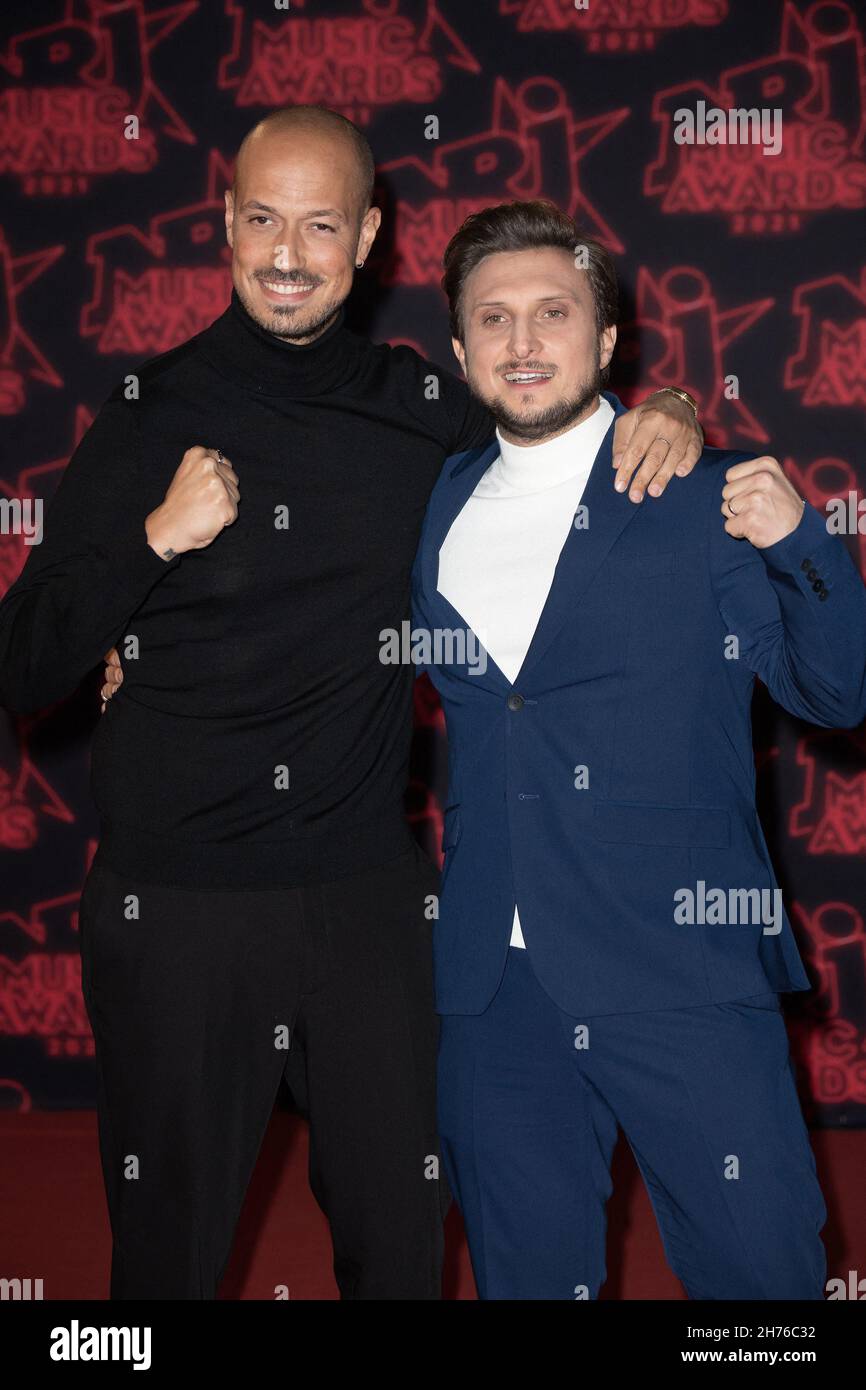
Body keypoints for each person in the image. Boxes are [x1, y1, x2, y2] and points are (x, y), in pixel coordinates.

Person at [0, 107, 703, 1300]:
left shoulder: (424, 410)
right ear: (223, 226)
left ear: (368, 237)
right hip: (176, 906)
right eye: (262, 219)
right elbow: (24, 666)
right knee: (159, 1265)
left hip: (369, 902)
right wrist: (151, 542)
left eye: (319, 223)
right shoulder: (144, 415)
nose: (286, 251)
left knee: (400, 1244)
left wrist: (671, 407)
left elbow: (559, 408)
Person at [410, 199, 866, 1300]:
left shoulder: (702, 493)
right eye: (494, 319)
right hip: (494, 979)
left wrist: (802, 541)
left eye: (552, 313)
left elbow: (836, 692)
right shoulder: (440, 496)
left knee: (759, 1285)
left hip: (681, 964)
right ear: (463, 350)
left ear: (605, 341)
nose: (523, 342)